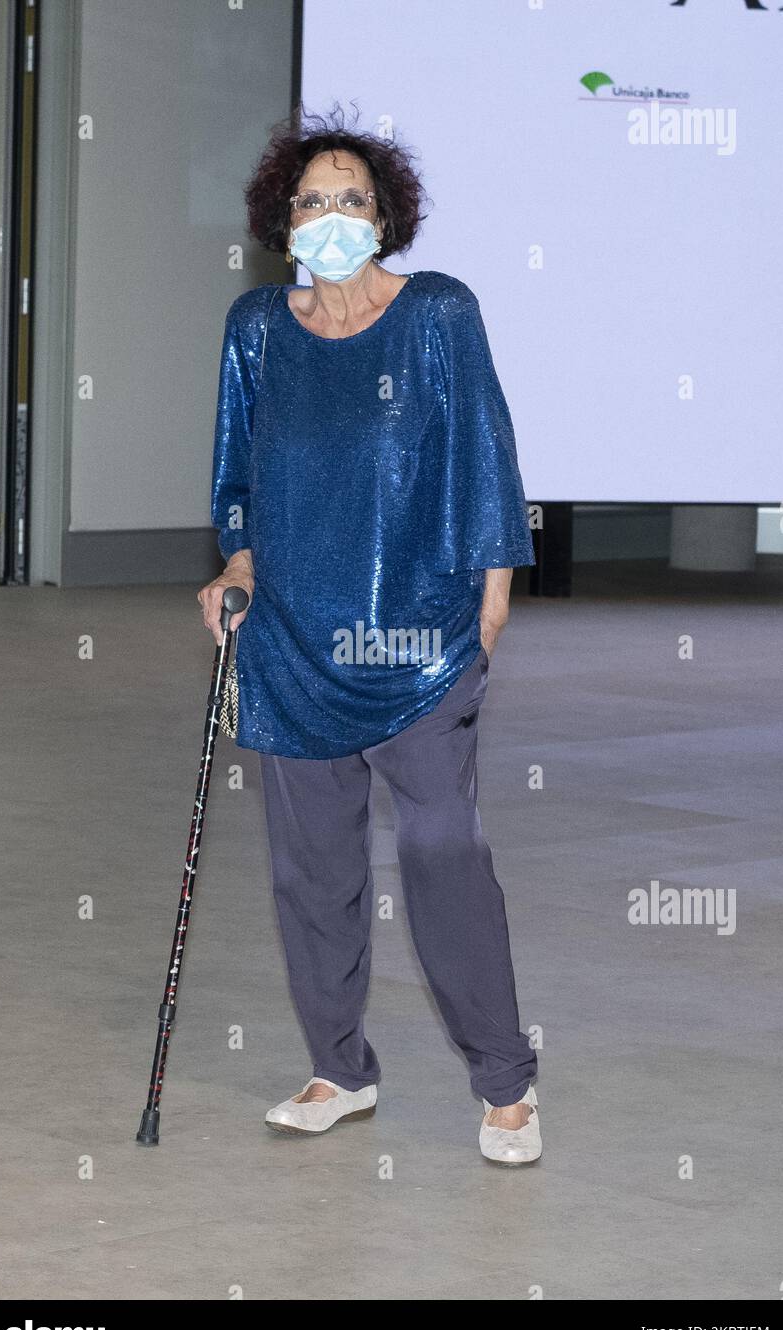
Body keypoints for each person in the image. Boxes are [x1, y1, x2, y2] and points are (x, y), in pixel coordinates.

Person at [198, 110, 540, 1164]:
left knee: (442, 847)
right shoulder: (257, 327)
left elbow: (482, 447)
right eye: (312, 200)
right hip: (295, 640)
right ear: (281, 220)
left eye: (351, 198)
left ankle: (502, 1080)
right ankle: (338, 1066)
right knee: (311, 870)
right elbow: (238, 478)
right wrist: (238, 564)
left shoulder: (436, 311)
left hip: (419, 634)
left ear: (385, 216)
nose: (331, 215)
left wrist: (490, 592)